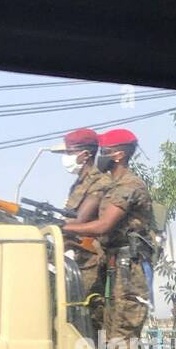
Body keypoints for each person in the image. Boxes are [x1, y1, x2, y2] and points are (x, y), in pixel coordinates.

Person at [61, 128, 155, 344]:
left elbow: (104, 225)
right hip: (115, 267)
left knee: (122, 339)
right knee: (106, 336)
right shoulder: (113, 185)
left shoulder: (129, 185)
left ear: (119, 155)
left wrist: (64, 227)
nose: (99, 155)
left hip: (129, 271)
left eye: (104, 150)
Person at [57, 128, 112, 330]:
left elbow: (81, 219)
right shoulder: (79, 184)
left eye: (70, 152)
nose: (66, 157)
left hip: (92, 261)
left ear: (86, 154)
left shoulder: (100, 182)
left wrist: (60, 227)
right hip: (78, 258)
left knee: (88, 313)